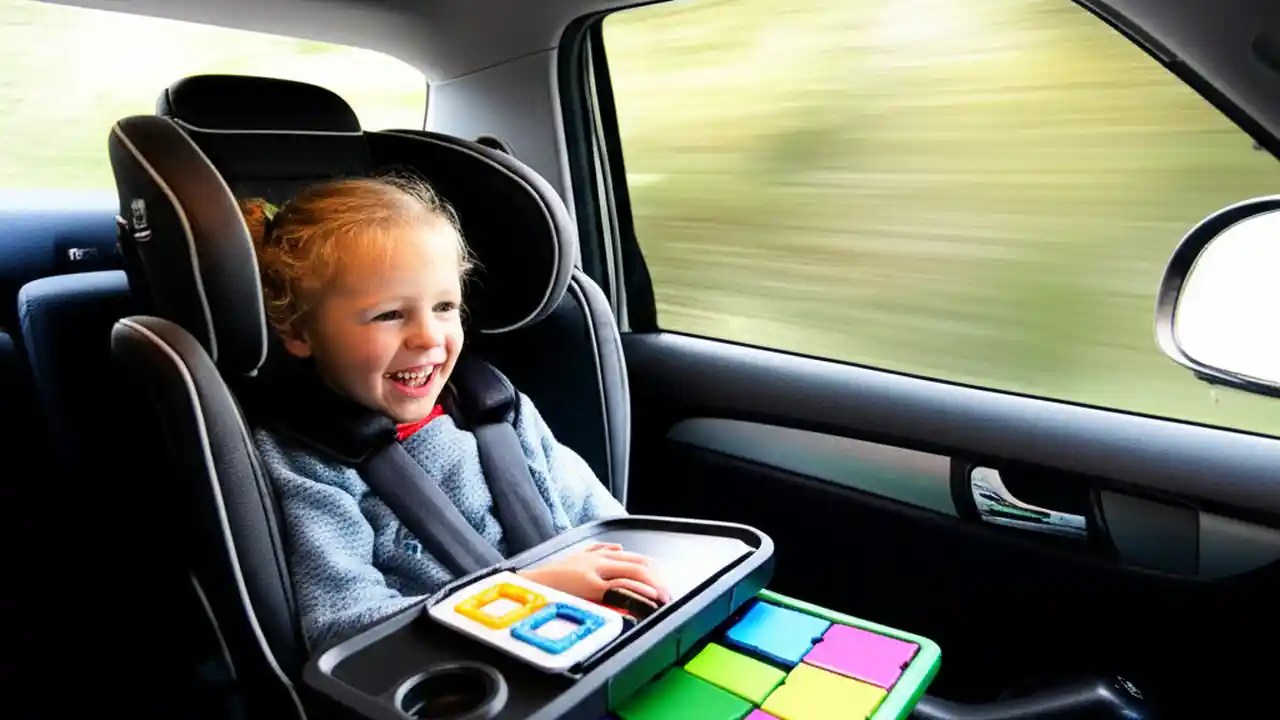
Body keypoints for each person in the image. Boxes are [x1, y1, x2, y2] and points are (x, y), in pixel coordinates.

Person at [244, 175, 669, 651]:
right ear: (299, 332)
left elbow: (603, 521)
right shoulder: (308, 462)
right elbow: (343, 625)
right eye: (389, 314)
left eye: (445, 306)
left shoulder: (497, 409)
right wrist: (532, 592)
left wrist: (642, 575)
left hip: (592, 641)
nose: (429, 338)